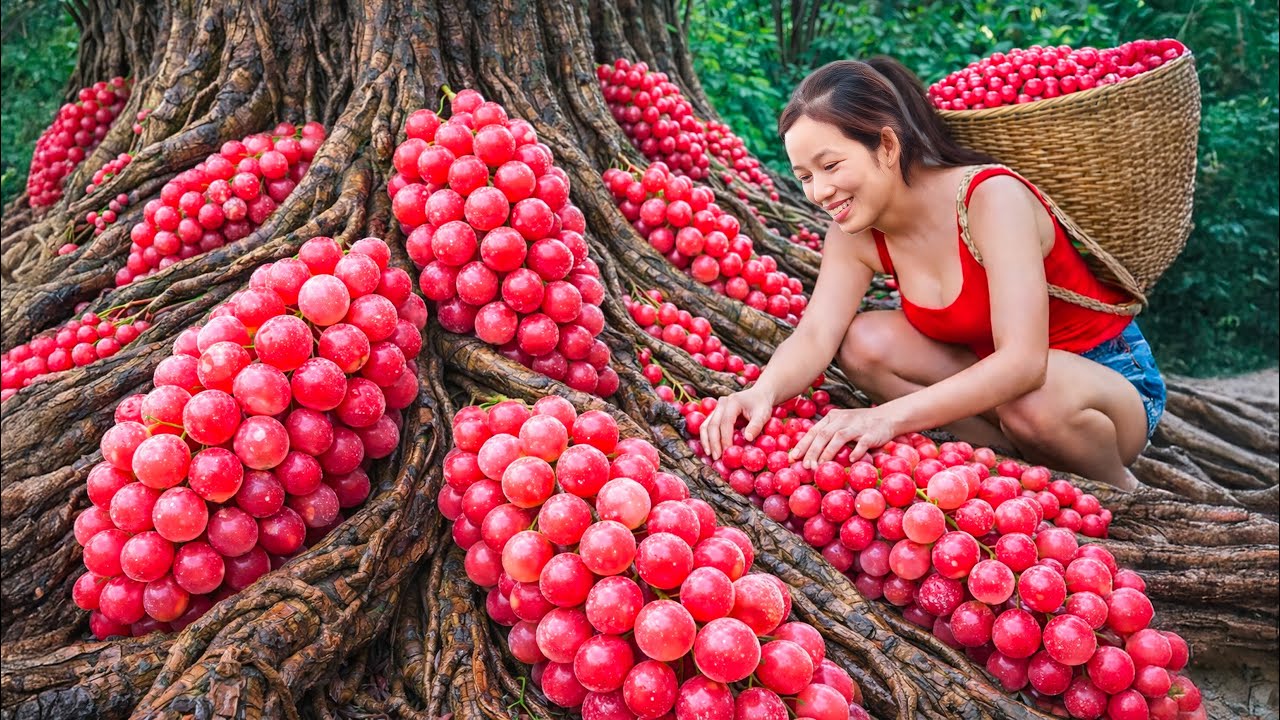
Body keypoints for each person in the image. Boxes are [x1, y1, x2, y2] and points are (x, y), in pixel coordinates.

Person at [698, 57, 1166, 491]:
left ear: (886, 144)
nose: (819, 191)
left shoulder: (990, 198)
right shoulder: (854, 232)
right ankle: (1011, 464)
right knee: (862, 343)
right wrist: (761, 393)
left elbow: (1024, 364)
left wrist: (887, 418)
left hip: (1106, 384)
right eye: (804, 176)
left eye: (831, 165)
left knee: (1032, 402)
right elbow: (816, 333)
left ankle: (1123, 491)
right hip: (1002, 392)